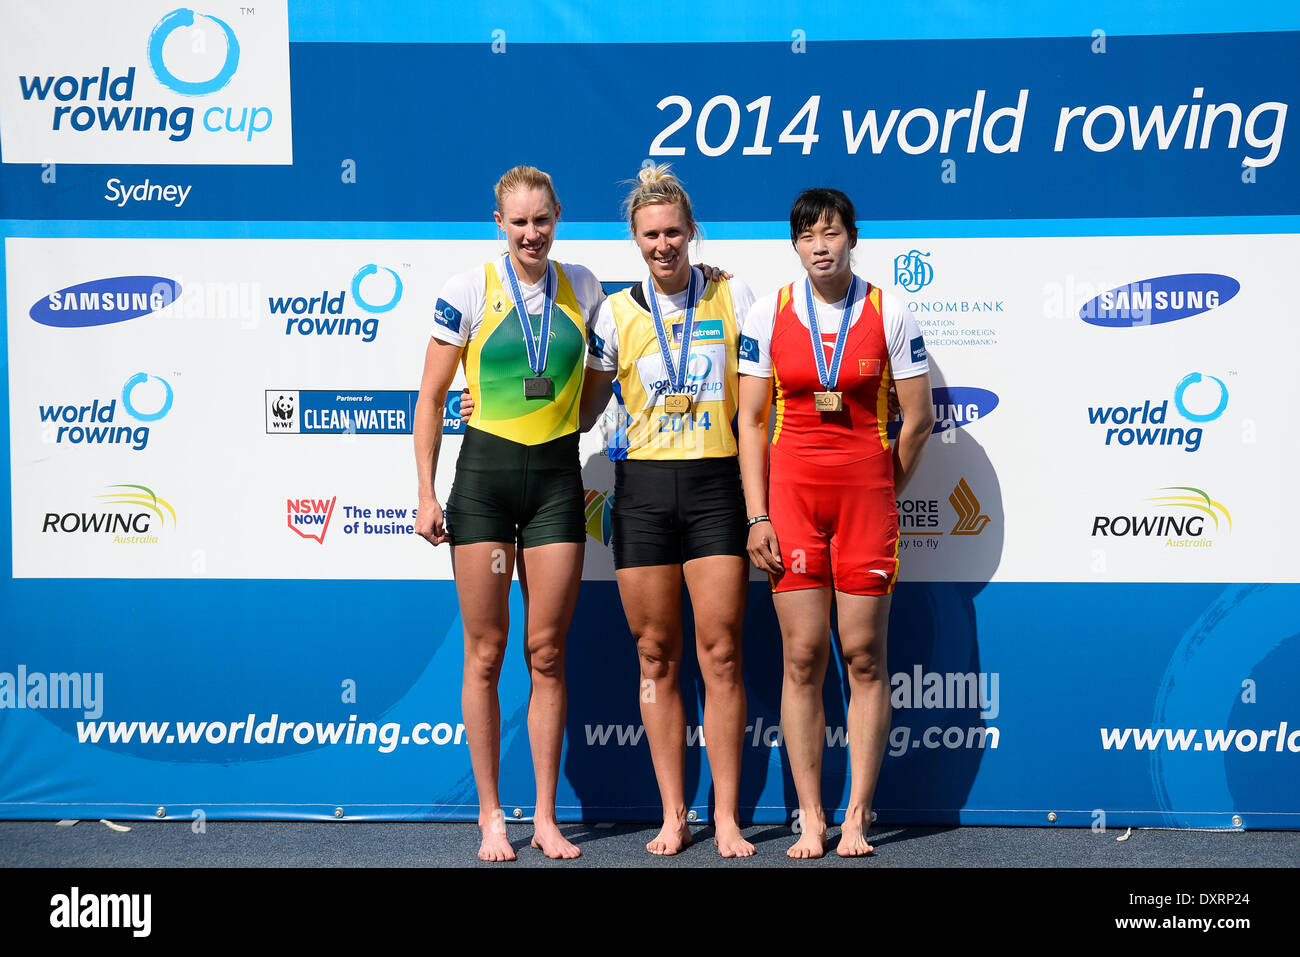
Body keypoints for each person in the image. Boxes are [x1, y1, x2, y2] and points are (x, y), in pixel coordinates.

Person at [412, 166, 604, 862]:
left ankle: (547, 817)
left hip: (555, 483)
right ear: (500, 222)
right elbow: (432, 398)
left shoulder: (583, 285)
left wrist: (709, 272)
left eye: (542, 219)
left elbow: (606, 372)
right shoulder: (467, 290)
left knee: (547, 652)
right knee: (487, 651)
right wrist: (428, 493)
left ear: (558, 215)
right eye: (519, 221)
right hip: (485, 486)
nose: (531, 233)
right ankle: (493, 814)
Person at [736, 187, 935, 859]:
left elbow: (919, 419)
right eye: (808, 234)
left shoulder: (891, 310)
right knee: (801, 657)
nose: (821, 244)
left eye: (832, 231)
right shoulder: (769, 312)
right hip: (790, 498)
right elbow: (753, 420)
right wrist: (757, 512)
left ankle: (858, 815)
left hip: (863, 499)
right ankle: (812, 816)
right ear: (795, 244)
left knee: (863, 655)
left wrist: (882, 486)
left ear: (853, 236)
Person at [581, 164, 757, 857]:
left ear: (692, 232)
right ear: (636, 238)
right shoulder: (614, 313)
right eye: (652, 234)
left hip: (717, 488)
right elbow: (584, 405)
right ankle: (674, 812)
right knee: (656, 655)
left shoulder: (732, 293)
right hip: (645, 494)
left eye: (674, 232)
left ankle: (730, 816)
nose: (664, 245)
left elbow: (765, 390)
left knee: (721, 653)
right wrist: (479, 399)